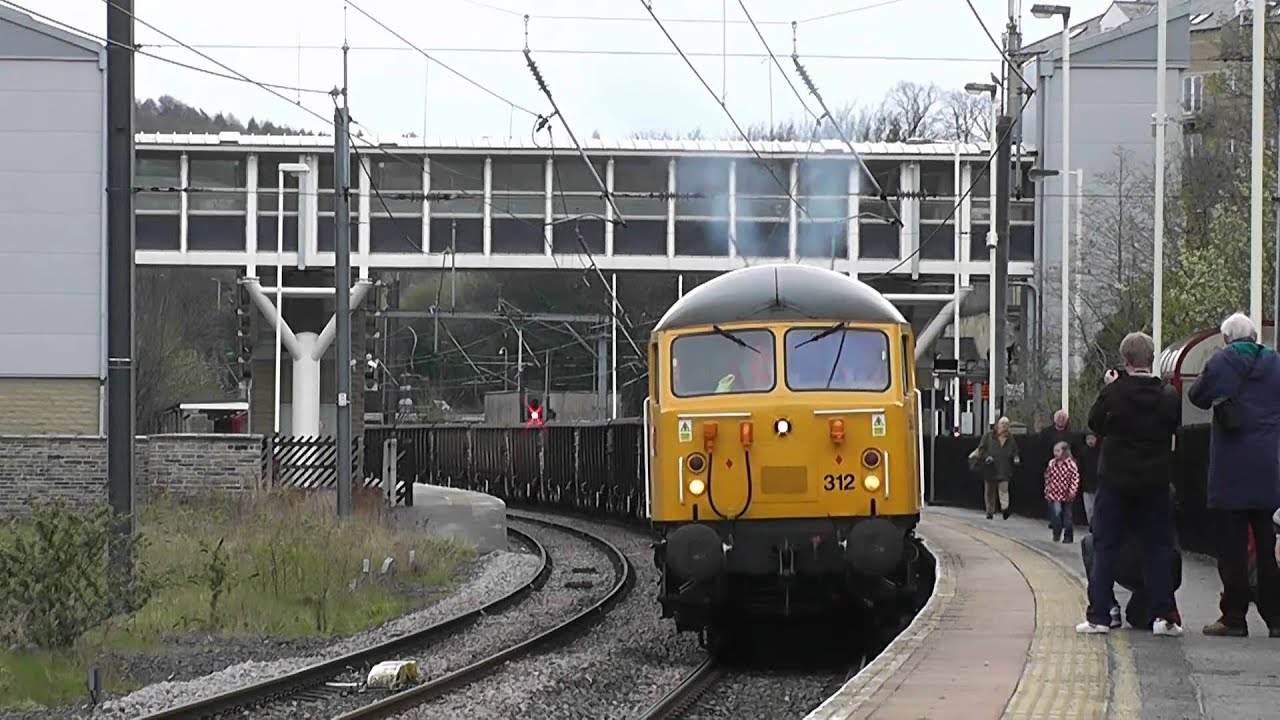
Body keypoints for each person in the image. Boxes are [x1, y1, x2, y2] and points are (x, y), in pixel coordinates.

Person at [1076, 331, 1184, 637]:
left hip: (1116, 480)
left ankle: (1100, 615)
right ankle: (1164, 616)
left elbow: (1096, 422)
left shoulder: (1115, 393)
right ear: (1151, 359)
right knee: (1158, 548)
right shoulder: (1167, 395)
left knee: (1105, 546)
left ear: (1126, 359)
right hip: (1155, 481)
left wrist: (1110, 389)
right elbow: (1172, 423)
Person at [1186, 312, 1280, 638]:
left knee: (1232, 549)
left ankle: (1234, 616)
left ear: (1227, 338)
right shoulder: (1275, 362)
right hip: (1269, 467)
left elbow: (1196, 396)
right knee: (1267, 547)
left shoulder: (1221, 361)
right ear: (1254, 336)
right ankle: (1276, 617)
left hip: (1231, 469)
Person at [1081, 488, 1184, 629]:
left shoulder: (1114, 487)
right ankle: (1164, 613)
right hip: (1166, 570)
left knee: (1091, 544)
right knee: (1137, 617)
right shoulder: (1163, 488)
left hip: (1129, 562)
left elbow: (1098, 527)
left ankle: (1107, 609)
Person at [974, 416, 1020, 520]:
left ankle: (1005, 509)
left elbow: (1015, 450)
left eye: (1006, 424)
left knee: (1004, 489)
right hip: (991, 468)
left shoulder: (1010, 438)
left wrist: (1016, 457)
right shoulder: (988, 436)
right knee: (990, 491)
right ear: (998, 425)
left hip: (1004, 468)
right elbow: (981, 449)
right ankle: (990, 511)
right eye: (1002, 424)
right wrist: (986, 457)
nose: (1004, 426)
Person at [1044, 441, 1080, 543]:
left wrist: (1072, 491)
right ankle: (1057, 533)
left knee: (1068, 516)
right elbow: (1047, 477)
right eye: (1054, 451)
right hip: (1054, 494)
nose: (1055, 453)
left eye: (1058, 451)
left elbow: (1075, 478)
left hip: (1067, 493)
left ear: (1064, 451)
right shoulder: (1052, 463)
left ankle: (1068, 536)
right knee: (1056, 514)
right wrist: (1047, 490)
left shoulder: (1071, 464)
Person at [1078, 432, 1101, 525]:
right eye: (1088, 439)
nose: (1090, 441)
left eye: (1092, 438)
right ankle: (1091, 525)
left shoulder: (1100, 452)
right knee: (1089, 508)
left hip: (1098, 483)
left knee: (1098, 507)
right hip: (1086, 484)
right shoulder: (1083, 452)